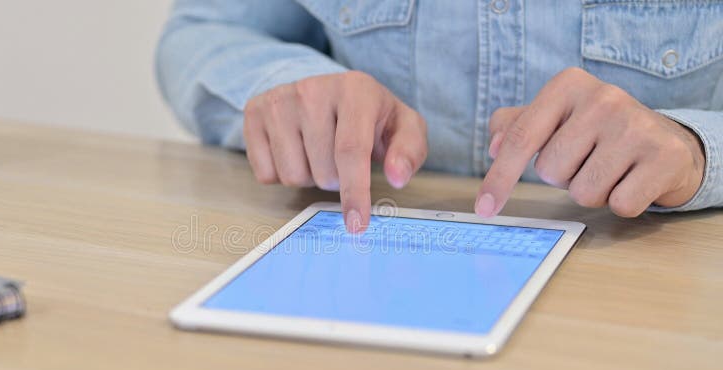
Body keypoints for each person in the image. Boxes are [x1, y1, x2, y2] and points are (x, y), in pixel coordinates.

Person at [156, 0, 722, 233]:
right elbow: (202, 32)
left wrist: (696, 151)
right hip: (366, 270)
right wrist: (285, 87)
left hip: (650, 296)